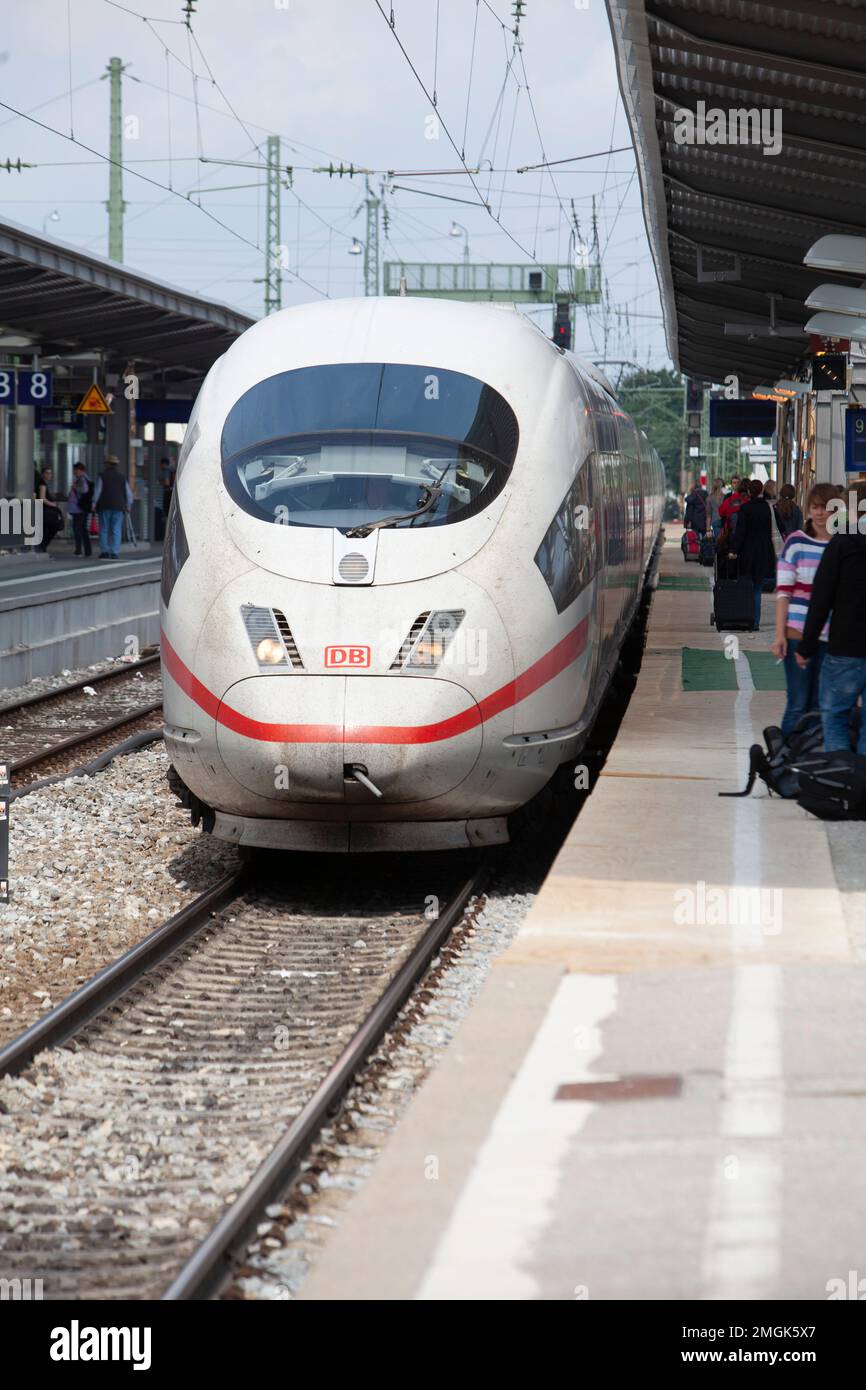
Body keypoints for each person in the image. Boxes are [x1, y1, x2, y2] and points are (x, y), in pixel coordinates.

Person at [797, 482, 866, 755]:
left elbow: (821, 599)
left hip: (846, 648)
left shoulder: (842, 543)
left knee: (835, 717)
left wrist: (806, 646)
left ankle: (842, 783)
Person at [771, 483, 836, 738]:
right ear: (807, 510)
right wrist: (779, 635)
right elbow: (783, 593)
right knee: (798, 703)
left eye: (826, 508)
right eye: (815, 507)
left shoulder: (841, 544)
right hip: (797, 633)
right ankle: (788, 762)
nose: (820, 514)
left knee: (821, 706)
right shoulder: (795, 543)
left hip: (832, 637)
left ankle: (811, 765)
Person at [729, 478, 776, 630]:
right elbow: (774, 530)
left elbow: (740, 532)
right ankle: (755, 623)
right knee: (757, 589)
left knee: (746, 588)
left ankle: (745, 619)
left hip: (747, 554)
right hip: (763, 553)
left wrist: (733, 550)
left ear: (749, 492)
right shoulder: (768, 508)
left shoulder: (745, 508)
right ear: (762, 491)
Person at [93, 453, 134, 560]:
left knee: (104, 529)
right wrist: (128, 505)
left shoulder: (102, 476)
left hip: (104, 505)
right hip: (119, 506)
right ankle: (115, 552)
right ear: (116, 465)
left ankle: (105, 551)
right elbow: (128, 493)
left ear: (107, 464)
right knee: (116, 529)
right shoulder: (122, 477)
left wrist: (93, 503)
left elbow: (98, 491)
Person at [66, 462, 93, 557]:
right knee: (83, 529)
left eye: (76, 470)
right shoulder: (83, 478)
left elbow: (84, 490)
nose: (74, 472)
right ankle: (87, 550)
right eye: (74, 470)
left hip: (79, 508)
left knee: (78, 529)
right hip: (81, 508)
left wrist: (75, 488)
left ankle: (79, 550)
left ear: (81, 470)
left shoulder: (82, 479)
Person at [34, 467, 64, 553]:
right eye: (47, 473)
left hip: (41, 510)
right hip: (45, 510)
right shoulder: (42, 483)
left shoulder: (41, 483)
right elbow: (43, 498)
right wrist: (54, 505)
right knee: (52, 527)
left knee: (45, 529)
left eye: (50, 473)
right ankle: (42, 547)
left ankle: (41, 548)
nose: (49, 475)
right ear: (43, 474)